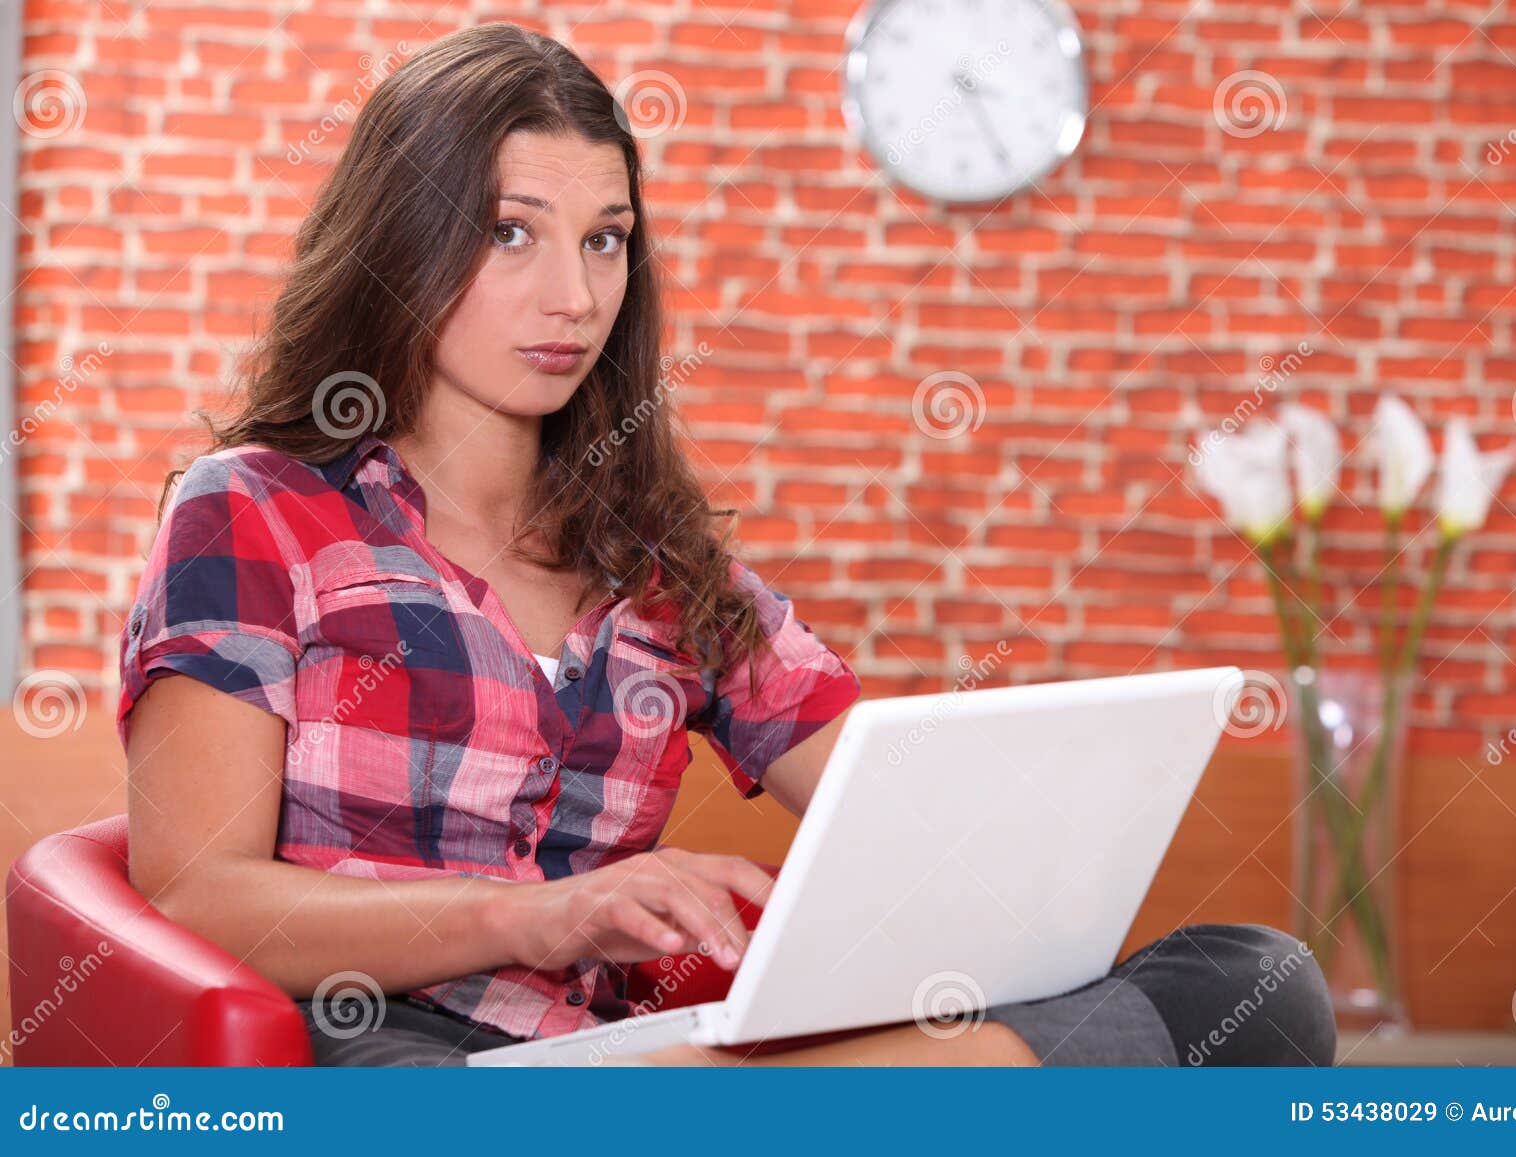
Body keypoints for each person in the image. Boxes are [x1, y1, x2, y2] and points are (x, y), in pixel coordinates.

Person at [117, 23, 1336, 1068]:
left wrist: (1012, 894)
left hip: (605, 1059)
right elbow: (196, 890)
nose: (574, 296)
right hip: (383, 1050)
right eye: (509, 232)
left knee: (1252, 980)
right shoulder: (258, 510)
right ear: (401, 242)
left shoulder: (655, 567)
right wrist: (542, 915)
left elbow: (895, 804)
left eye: (606, 238)